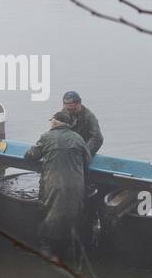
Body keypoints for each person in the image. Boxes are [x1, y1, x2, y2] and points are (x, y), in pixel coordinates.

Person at [24, 111, 92, 264]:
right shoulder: (78, 138)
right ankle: (68, 249)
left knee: (48, 211)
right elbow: (87, 160)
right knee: (71, 213)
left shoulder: (47, 137)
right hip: (76, 185)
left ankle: (46, 248)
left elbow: (30, 155)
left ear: (55, 122)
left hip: (53, 184)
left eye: (51, 121)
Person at [61, 91, 103, 156]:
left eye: (73, 108)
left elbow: (97, 138)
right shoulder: (63, 114)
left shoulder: (89, 117)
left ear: (79, 103)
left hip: (83, 148)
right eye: (68, 109)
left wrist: (84, 153)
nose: (70, 111)